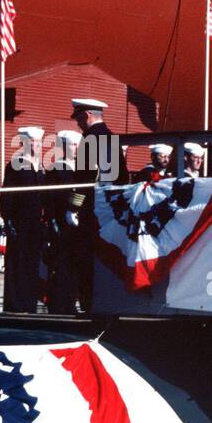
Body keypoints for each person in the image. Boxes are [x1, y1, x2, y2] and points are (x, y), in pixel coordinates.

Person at [68, 96, 120, 313]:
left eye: (79, 119)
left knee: (86, 258)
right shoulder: (112, 137)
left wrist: (73, 207)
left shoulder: (90, 138)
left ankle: (88, 304)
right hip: (109, 207)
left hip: (90, 207)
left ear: (87, 116)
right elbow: (119, 175)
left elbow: (84, 175)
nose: (78, 124)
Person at [1, 125, 46, 314]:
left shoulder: (41, 167)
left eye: (38, 142)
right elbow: (7, 195)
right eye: (32, 142)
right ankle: (15, 303)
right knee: (17, 262)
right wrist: (8, 219)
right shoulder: (16, 165)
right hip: (19, 221)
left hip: (36, 222)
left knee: (32, 262)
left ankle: (29, 303)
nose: (36, 146)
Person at [44, 129, 82, 314]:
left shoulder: (80, 168)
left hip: (76, 223)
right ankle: (58, 303)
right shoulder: (56, 169)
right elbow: (50, 198)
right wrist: (53, 220)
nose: (75, 149)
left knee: (74, 264)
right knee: (60, 265)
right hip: (60, 221)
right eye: (72, 145)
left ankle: (70, 301)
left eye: (77, 145)